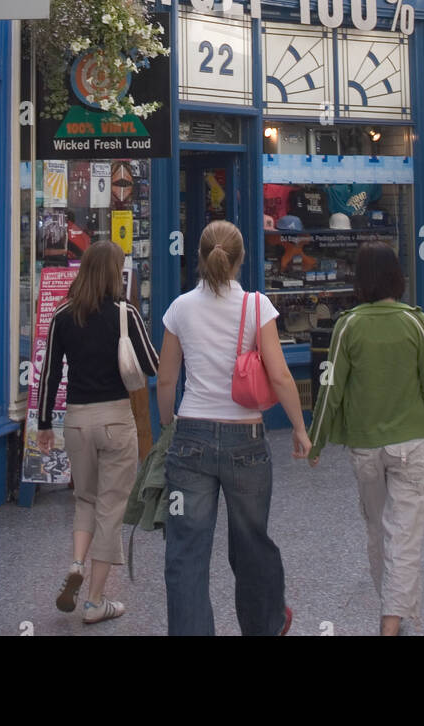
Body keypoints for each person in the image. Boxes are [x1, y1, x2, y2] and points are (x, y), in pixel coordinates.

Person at [157, 220, 311, 637]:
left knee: (186, 549)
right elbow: (279, 375)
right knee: (250, 540)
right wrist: (299, 427)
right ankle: (265, 624)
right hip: (246, 438)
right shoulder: (257, 307)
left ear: (201, 256)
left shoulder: (179, 308)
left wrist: (168, 422)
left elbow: (167, 378)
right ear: (241, 259)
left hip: (191, 437)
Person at [308, 242, 424, 636]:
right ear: (397, 276)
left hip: (366, 448)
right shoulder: (417, 323)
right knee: (404, 536)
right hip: (412, 448)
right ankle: (392, 622)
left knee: (379, 533)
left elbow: (330, 387)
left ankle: (395, 616)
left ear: (361, 281)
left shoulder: (348, 325)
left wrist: (315, 439)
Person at [37, 241, 158, 624]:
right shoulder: (126, 313)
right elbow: (152, 365)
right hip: (115, 419)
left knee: (85, 500)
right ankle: (94, 601)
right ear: (115, 273)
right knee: (111, 507)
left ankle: (76, 563)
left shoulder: (62, 315)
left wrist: (43, 424)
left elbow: (49, 375)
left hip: (76, 421)